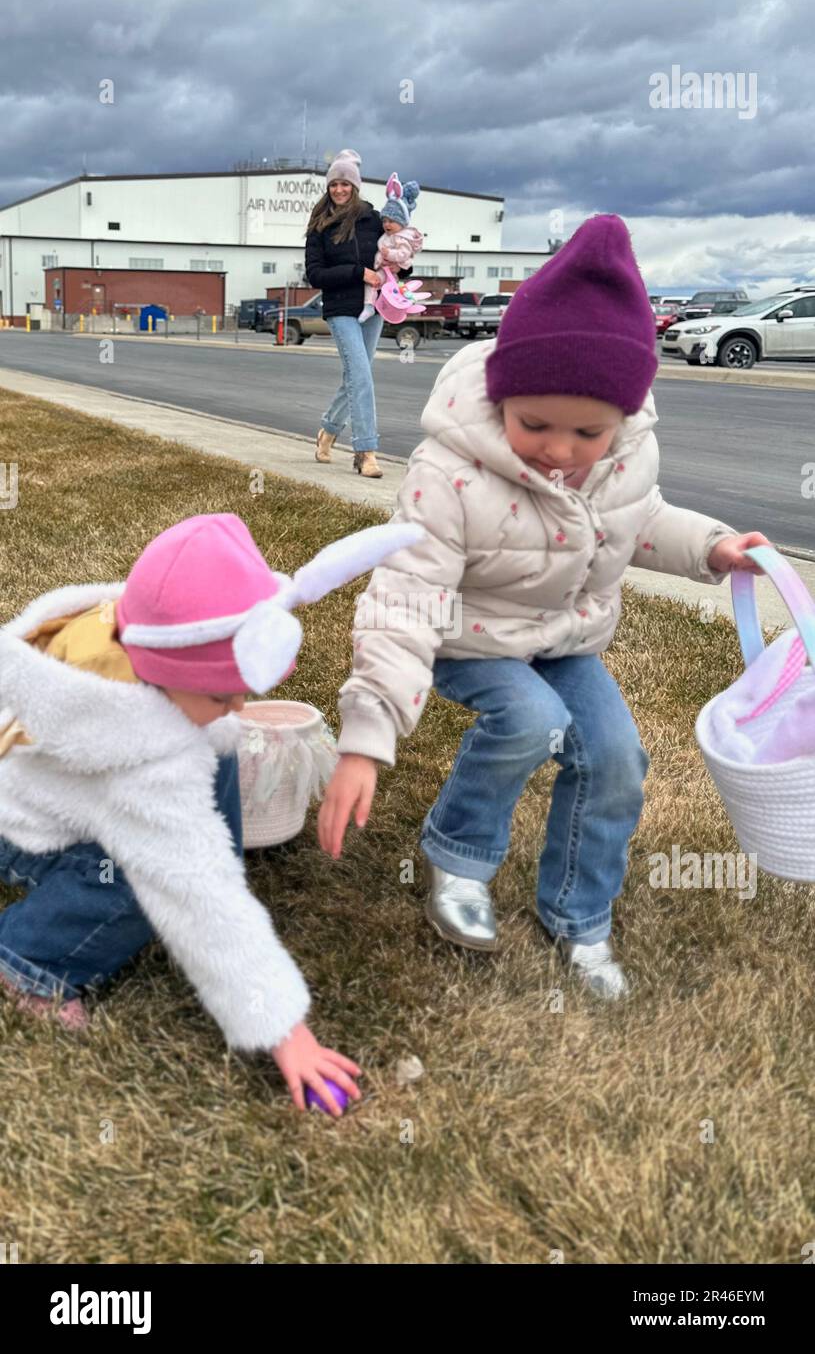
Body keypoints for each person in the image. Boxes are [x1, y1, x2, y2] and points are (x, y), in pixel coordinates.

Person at [318, 214, 771, 999]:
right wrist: (365, 735)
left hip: (563, 638)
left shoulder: (626, 450)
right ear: (499, 397)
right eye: (534, 425)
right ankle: (456, 858)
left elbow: (641, 523)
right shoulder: (449, 470)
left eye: (585, 433)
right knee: (530, 720)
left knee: (617, 759)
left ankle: (578, 916)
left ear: (622, 419)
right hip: (469, 637)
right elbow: (405, 595)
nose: (559, 452)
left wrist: (711, 546)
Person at [0, 512, 419, 1112]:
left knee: (214, 750)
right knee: (132, 883)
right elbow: (196, 897)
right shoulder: (137, 762)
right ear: (165, 675)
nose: (239, 705)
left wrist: (214, 709)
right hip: (27, 833)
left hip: (36, 788)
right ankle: (29, 960)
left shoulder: (123, 623)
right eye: (221, 694)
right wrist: (284, 1030)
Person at [305, 148, 414, 480]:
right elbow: (315, 275)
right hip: (341, 310)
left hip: (374, 308)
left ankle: (328, 429)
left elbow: (390, 255)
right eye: (334, 184)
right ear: (328, 187)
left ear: (355, 186)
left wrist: (404, 269)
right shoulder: (319, 225)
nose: (339, 190)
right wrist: (357, 272)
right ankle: (365, 452)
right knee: (362, 377)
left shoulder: (373, 218)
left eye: (345, 184)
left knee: (358, 375)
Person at [358, 173, 423, 323]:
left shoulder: (402, 237)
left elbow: (403, 254)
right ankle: (372, 306)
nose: (387, 225)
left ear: (402, 222)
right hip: (383, 269)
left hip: (388, 270)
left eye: (391, 221)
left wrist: (390, 255)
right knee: (378, 287)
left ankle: (377, 306)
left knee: (380, 287)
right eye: (385, 221)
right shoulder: (389, 235)